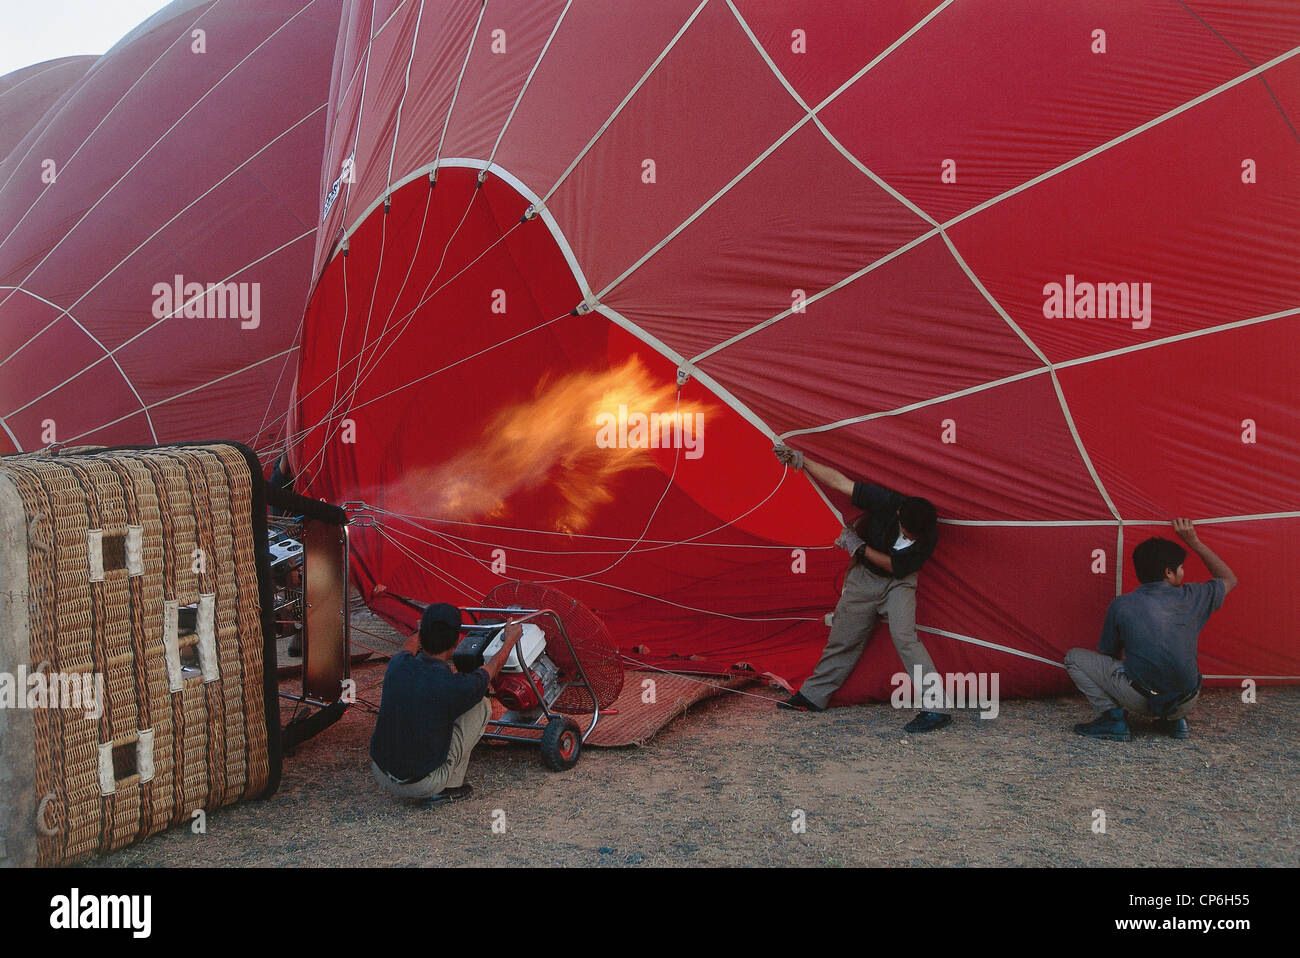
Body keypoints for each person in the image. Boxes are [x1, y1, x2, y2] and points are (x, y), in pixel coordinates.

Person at [773, 444, 952, 732]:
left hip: (899, 583)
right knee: (843, 636)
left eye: (915, 536)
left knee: (905, 638)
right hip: (863, 579)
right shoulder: (887, 502)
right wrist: (802, 461)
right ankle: (813, 696)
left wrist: (858, 546)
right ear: (898, 516)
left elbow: (895, 566)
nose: (910, 537)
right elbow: (842, 483)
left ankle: (936, 708)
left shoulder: (928, 536)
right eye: (907, 532)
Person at [1066, 519, 1236, 741]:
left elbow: (1110, 655)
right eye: (1182, 567)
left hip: (1141, 699)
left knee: (1074, 658)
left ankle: (1112, 718)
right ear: (1169, 572)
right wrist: (1194, 541)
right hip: (1187, 700)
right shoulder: (1193, 596)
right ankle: (1175, 720)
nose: (1184, 571)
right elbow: (1228, 578)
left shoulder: (1122, 604)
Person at [370, 602, 522, 804]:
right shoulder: (456, 686)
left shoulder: (398, 664)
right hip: (421, 784)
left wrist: (420, 632)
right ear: (455, 643)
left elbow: (407, 647)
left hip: (381, 772)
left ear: (422, 635)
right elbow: (492, 668)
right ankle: (448, 787)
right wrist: (509, 641)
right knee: (481, 706)